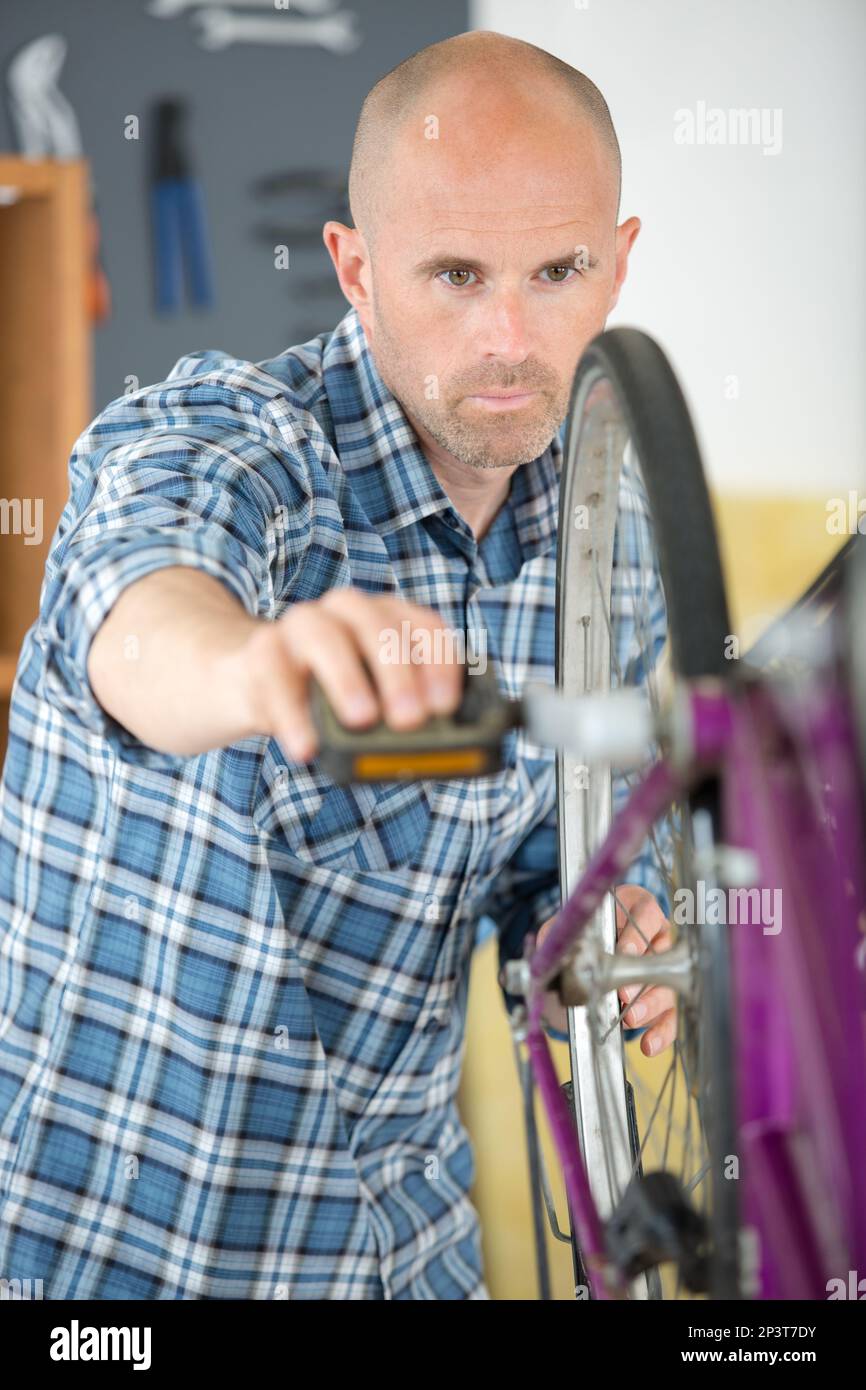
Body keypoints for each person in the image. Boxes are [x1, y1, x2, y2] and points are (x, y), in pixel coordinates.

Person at [0, 30, 674, 1300]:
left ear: (617, 262)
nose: (509, 335)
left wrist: (596, 929)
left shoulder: (611, 552)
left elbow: (545, 867)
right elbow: (137, 617)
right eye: (456, 273)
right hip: (117, 1271)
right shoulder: (226, 438)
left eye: (558, 270)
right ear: (355, 272)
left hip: (400, 1253)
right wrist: (260, 668)